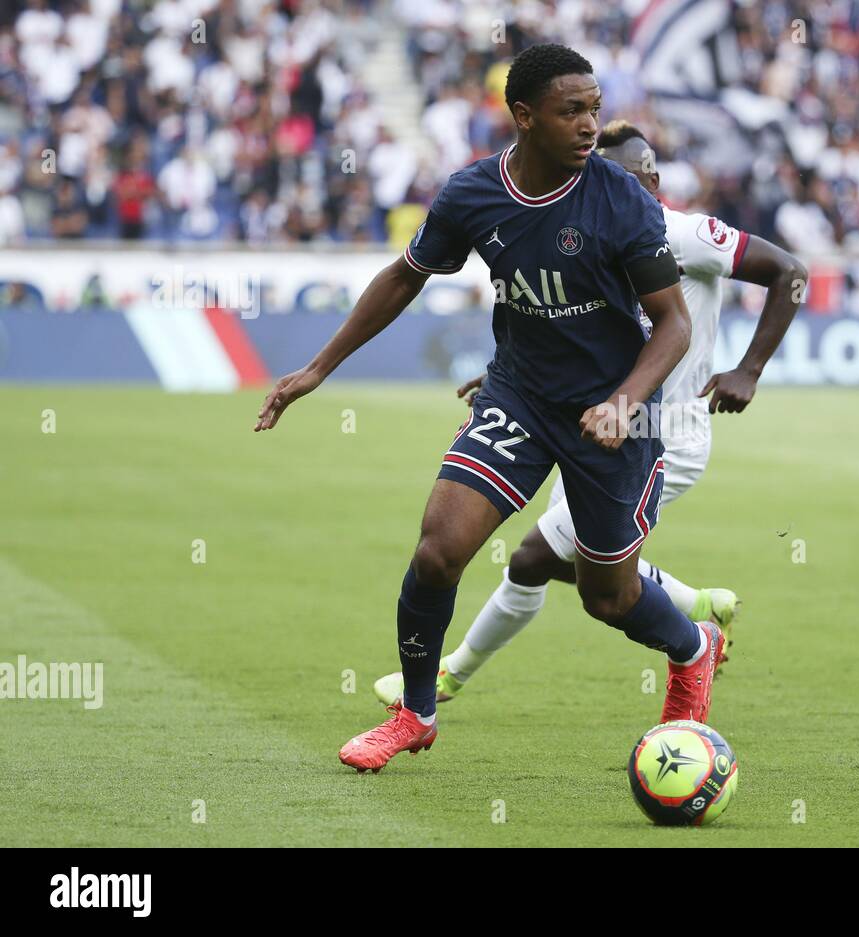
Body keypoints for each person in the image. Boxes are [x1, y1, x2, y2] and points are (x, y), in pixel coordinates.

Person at [255, 45, 724, 773]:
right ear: (525, 116)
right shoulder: (472, 194)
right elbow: (404, 276)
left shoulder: (620, 198)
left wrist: (624, 401)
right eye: (573, 111)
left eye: (595, 108)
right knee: (438, 550)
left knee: (608, 595)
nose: (590, 124)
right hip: (520, 396)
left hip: (613, 416)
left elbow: (673, 323)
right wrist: (318, 367)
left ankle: (694, 648)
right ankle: (415, 713)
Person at [372, 119, 806, 707]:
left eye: (624, 177)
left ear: (651, 179)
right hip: (587, 427)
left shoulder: (689, 234)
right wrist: (511, 372)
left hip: (660, 433)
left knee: (534, 560)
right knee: (572, 570)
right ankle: (698, 609)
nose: (603, 188)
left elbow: (792, 273)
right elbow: (566, 318)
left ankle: (451, 677)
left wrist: (749, 369)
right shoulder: (584, 222)